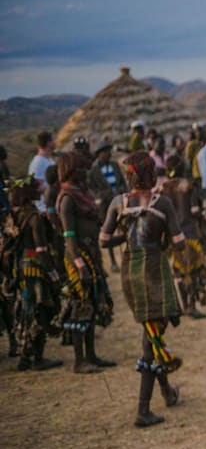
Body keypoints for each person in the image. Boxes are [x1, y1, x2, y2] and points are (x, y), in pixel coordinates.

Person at [100, 153, 184, 427]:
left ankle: (167, 392)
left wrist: (127, 236)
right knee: (151, 339)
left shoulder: (118, 203)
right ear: (151, 175)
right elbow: (179, 242)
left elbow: (104, 240)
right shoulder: (163, 203)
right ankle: (143, 411)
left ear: (129, 176)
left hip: (130, 272)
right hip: (154, 271)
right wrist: (162, 238)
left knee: (152, 331)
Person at [56, 152, 116, 373]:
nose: (86, 172)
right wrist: (80, 266)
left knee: (92, 305)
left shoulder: (83, 195)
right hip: (78, 257)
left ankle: (91, 355)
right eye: (81, 168)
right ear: (71, 171)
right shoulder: (67, 199)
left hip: (91, 254)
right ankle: (79, 360)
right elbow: (69, 237)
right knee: (81, 306)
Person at [8, 177, 64, 371]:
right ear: (29, 193)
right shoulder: (34, 218)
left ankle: (25, 356)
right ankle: (38, 358)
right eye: (36, 187)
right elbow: (41, 250)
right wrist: (54, 275)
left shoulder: (16, 216)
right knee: (41, 310)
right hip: (35, 269)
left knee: (25, 310)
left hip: (20, 270)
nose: (40, 190)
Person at [160, 156, 206, 318]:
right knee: (193, 270)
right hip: (190, 234)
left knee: (179, 272)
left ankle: (184, 305)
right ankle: (192, 306)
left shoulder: (162, 189)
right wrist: (204, 220)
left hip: (172, 237)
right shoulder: (188, 186)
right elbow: (195, 211)